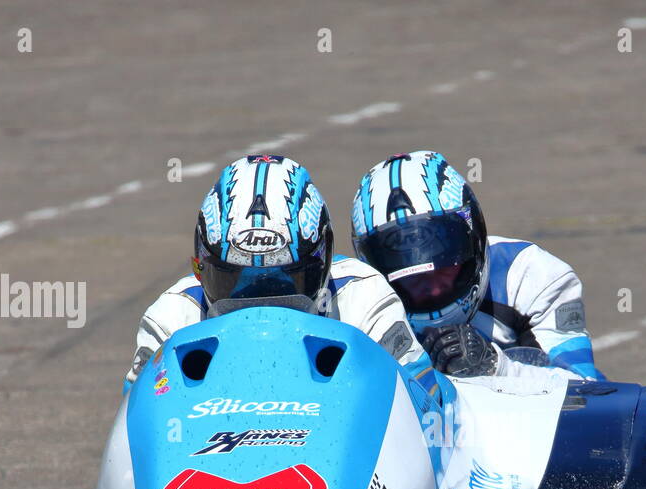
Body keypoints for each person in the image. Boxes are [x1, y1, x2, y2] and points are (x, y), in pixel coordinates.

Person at [126, 154, 447, 406]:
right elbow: (135, 427)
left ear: (323, 262)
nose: (260, 301)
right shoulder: (171, 316)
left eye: (283, 282)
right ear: (201, 267)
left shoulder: (362, 296)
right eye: (236, 280)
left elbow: (424, 400)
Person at [349, 150, 602, 380]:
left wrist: (493, 366)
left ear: (474, 239)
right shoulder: (354, 304)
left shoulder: (532, 276)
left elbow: (585, 392)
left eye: (444, 270)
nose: (433, 291)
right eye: (412, 281)